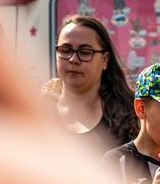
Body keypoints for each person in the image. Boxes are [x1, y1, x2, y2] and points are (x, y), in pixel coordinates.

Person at [45, 12, 137, 145]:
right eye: (65, 50)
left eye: (85, 52)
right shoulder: (36, 114)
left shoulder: (132, 117)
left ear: (104, 60)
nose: (73, 59)